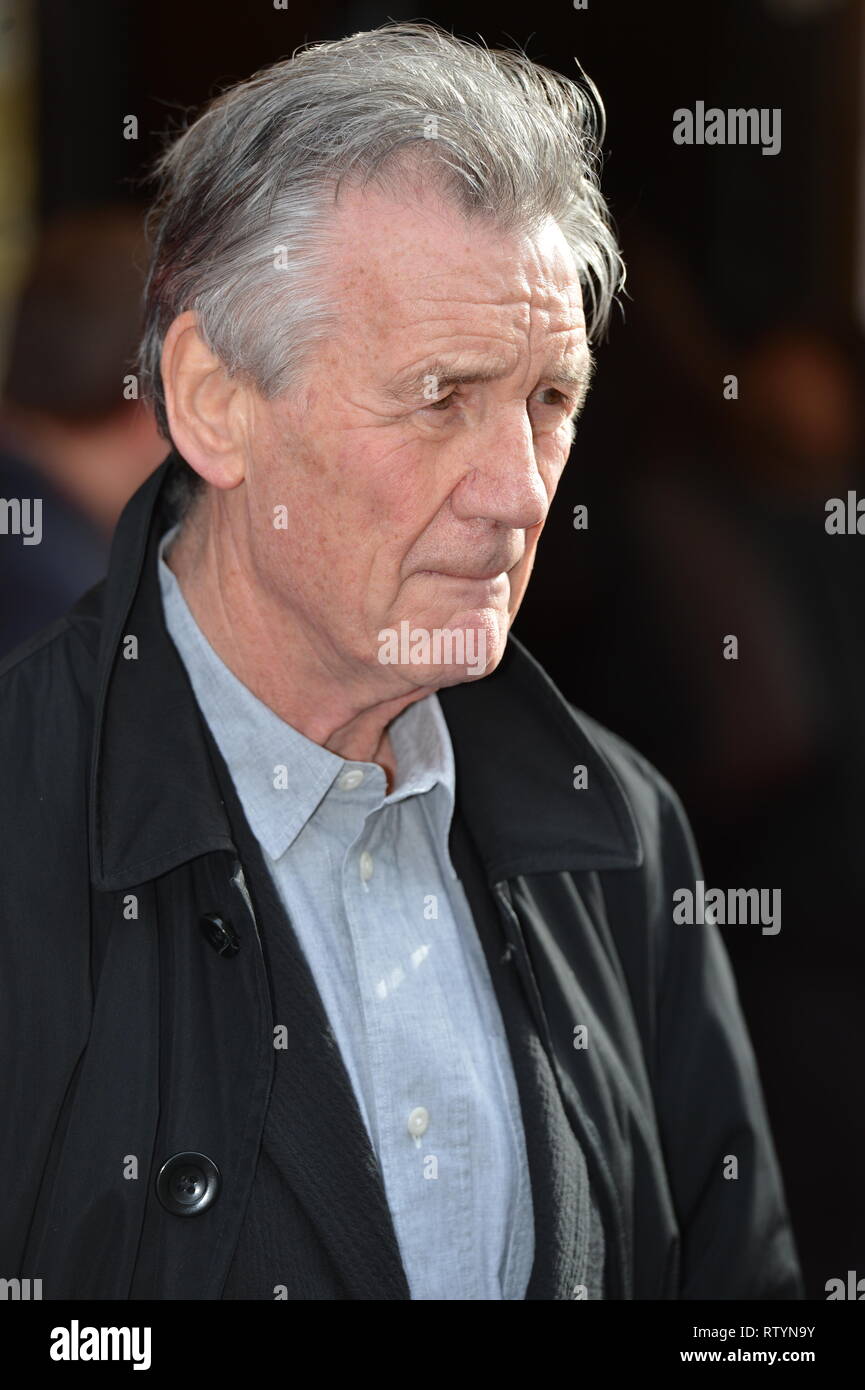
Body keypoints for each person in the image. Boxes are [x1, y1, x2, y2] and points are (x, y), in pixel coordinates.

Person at [0, 21, 802, 1300]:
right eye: (440, 395)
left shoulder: (621, 831)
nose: (517, 493)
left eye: (550, 401)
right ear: (213, 401)